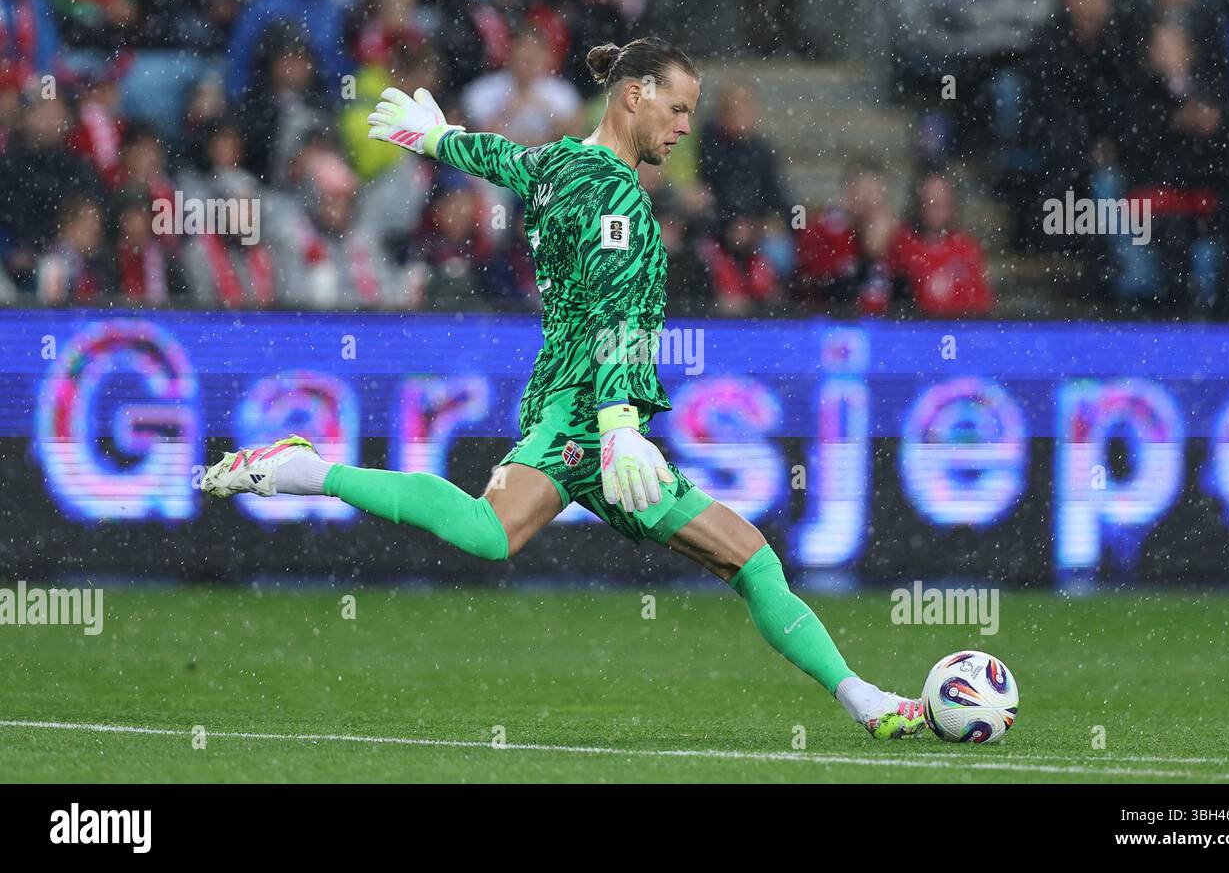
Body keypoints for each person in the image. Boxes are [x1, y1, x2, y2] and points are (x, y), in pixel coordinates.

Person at [201, 37, 926, 740]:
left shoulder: (562, 164)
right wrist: (618, 427)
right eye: (676, 110)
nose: (683, 128)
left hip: (576, 409)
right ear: (634, 95)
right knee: (505, 535)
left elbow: (508, 160)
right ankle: (305, 467)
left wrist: (438, 138)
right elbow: (615, 318)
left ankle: (866, 702)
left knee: (744, 558)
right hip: (587, 418)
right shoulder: (617, 201)